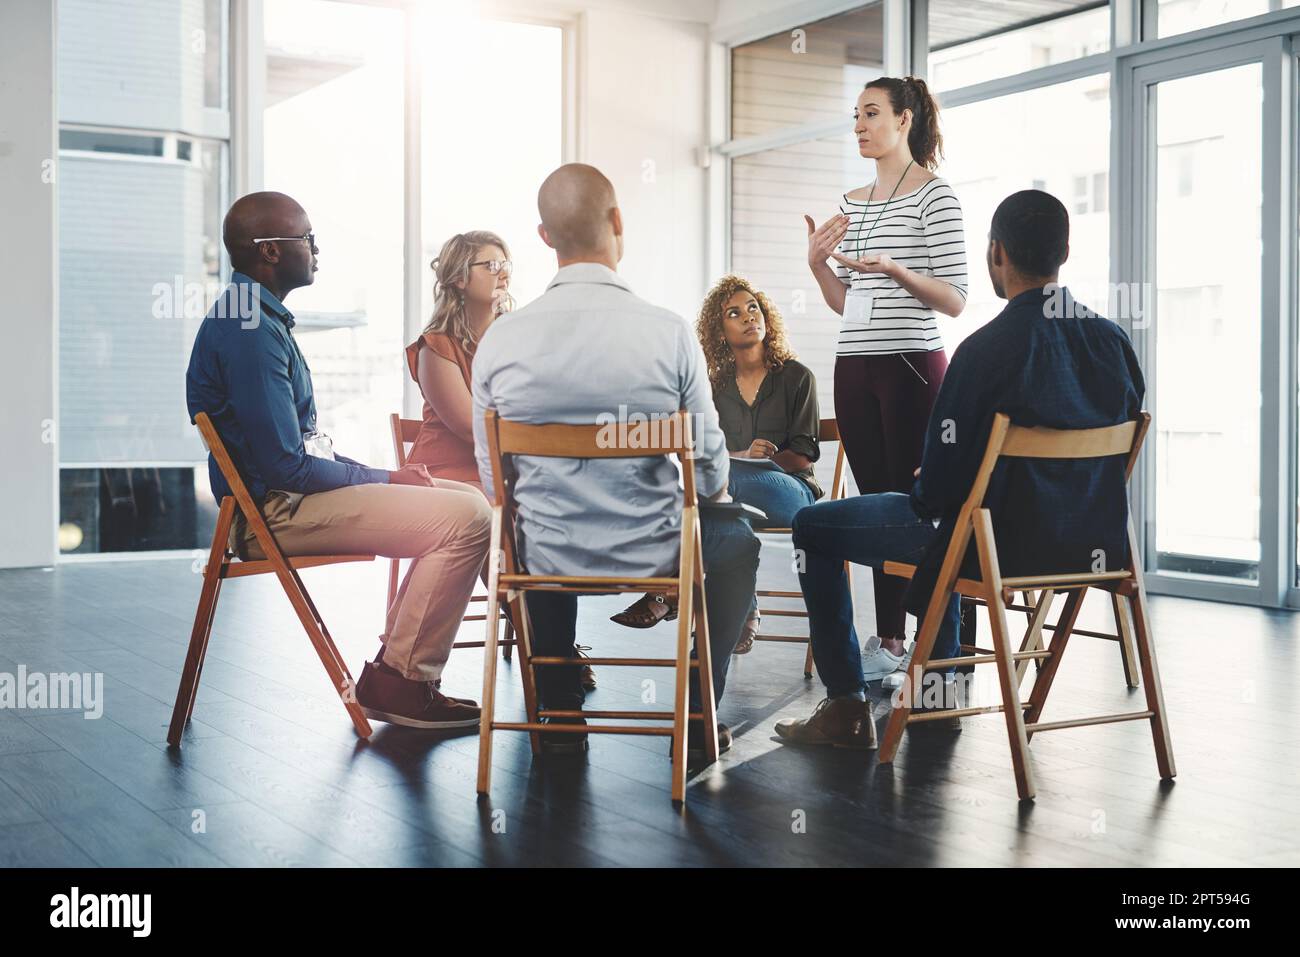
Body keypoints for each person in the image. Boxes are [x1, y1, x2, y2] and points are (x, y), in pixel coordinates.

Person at [775, 189, 1145, 748]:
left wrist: (931, 478)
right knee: (953, 517)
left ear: (996, 253)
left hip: (995, 549)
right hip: (1094, 545)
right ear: (1064, 252)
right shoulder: (1113, 343)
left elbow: (939, 491)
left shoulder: (982, 351)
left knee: (820, 525)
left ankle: (847, 707)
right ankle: (936, 692)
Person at [471, 163, 760, 762]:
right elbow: (711, 468)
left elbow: (492, 478)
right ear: (618, 221)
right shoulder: (669, 333)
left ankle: (559, 710)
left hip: (544, 557)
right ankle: (698, 718)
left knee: (531, 523)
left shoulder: (500, 340)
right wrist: (711, 499)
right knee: (736, 540)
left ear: (545, 237)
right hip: (653, 553)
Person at [186, 191, 492, 732]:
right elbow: (287, 468)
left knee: (466, 499)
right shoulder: (250, 332)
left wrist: (391, 478)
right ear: (270, 250)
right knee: (468, 517)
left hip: (287, 498)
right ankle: (403, 681)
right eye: (307, 238)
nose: (316, 248)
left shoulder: (257, 319)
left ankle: (396, 673)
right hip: (273, 512)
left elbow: (302, 448)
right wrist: (388, 476)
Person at [803, 75, 969, 682]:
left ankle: (936, 648)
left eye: (871, 113)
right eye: (856, 115)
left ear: (904, 119)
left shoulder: (935, 196)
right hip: (854, 366)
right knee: (874, 504)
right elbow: (845, 303)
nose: (859, 126)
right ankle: (890, 642)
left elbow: (955, 299)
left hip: (911, 367)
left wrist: (897, 270)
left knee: (914, 507)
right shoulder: (851, 202)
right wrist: (818, 265)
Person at [406, 231, 596, 690]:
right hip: (450, 475)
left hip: (508, 469)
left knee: (552, 515)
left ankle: (551, 647)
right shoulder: (437, 346)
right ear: (458, 278)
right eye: (489, 265)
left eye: (504, 262)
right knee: (508, 522)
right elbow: (471, 427)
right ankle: (551, 651)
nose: (502, 272)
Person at [611, 275, 822, 656]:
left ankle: (669, 588)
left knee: (710, 485)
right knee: (723, 515)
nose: (749, 317)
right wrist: (739, 456)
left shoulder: (797, 377)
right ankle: (744, 612)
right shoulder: (713, 388)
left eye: (753, 308)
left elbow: (803, 455)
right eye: (734, 313)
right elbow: (700, 448)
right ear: (719, 332)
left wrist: (760, 461)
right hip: (731, 499)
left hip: (792, 493)